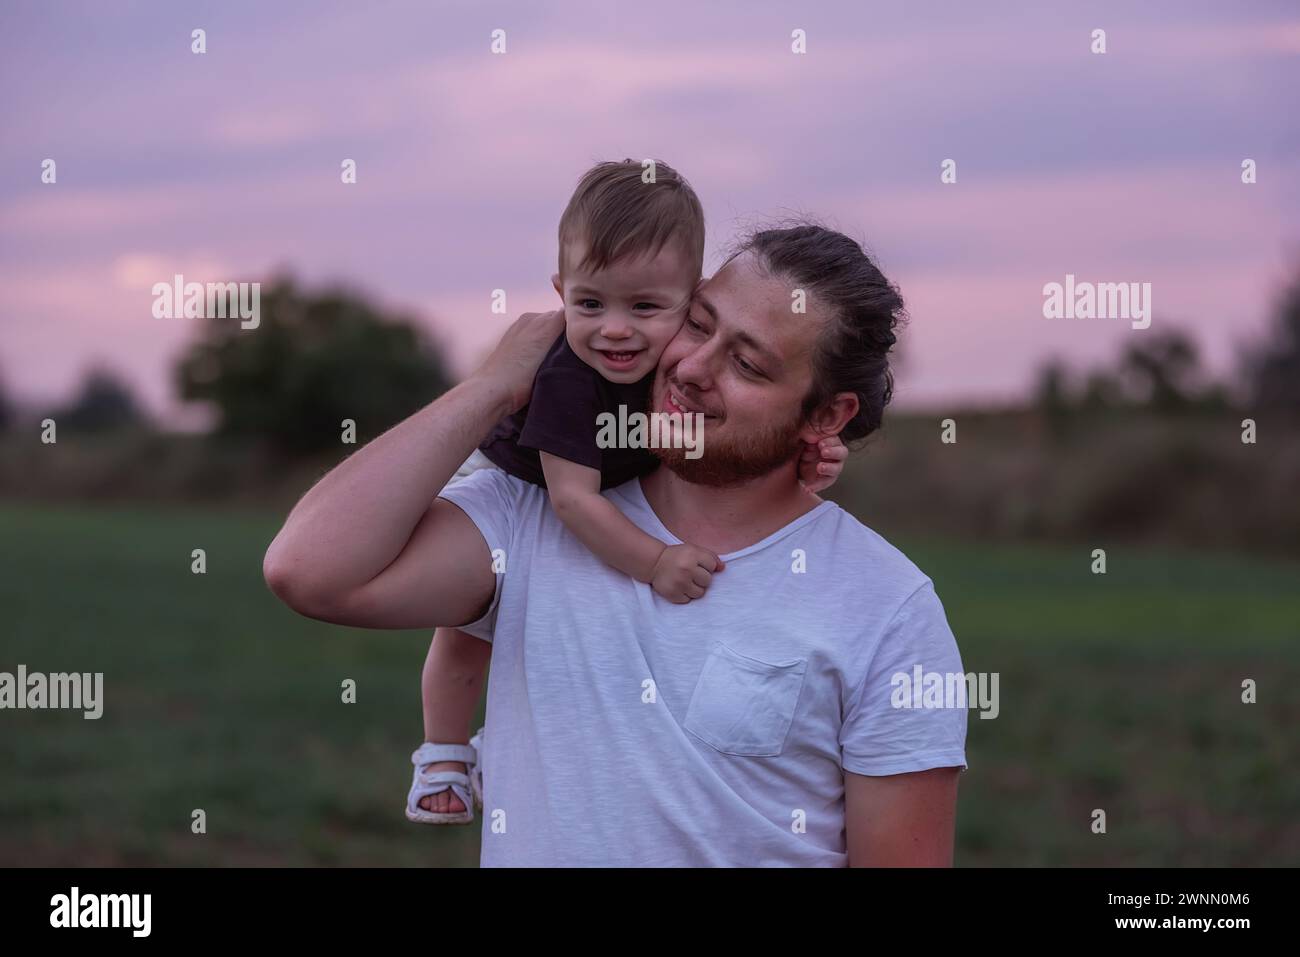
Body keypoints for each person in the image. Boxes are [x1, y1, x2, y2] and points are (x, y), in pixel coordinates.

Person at [264, 220, 967, 866]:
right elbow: (309, 570)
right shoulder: (531, 511)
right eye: (697, 323)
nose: (693, 367)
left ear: (829, 413)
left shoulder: (887, 608)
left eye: (747, 364)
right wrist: (492, 384)